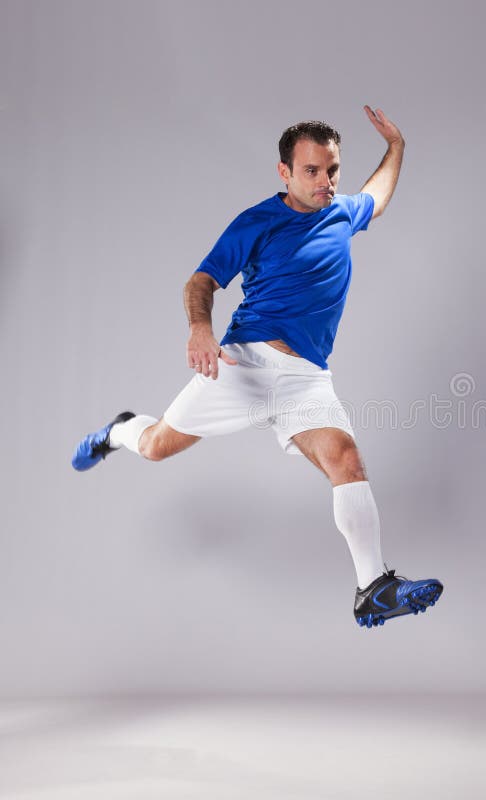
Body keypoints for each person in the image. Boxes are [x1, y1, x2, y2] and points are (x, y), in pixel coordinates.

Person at [71, 106, 443, 629]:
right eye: (312, 171)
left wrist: (397, 145)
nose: (325, 182)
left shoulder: (344, 212)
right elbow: (200, 282)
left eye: (332, 169)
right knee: (156, 447)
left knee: (348, 462)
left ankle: (373, 588)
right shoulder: (256, 222)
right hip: (244, 365)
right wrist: (201, 329)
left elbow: (377, 197)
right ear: (285, 172)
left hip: (306, 379)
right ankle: (118, 430)